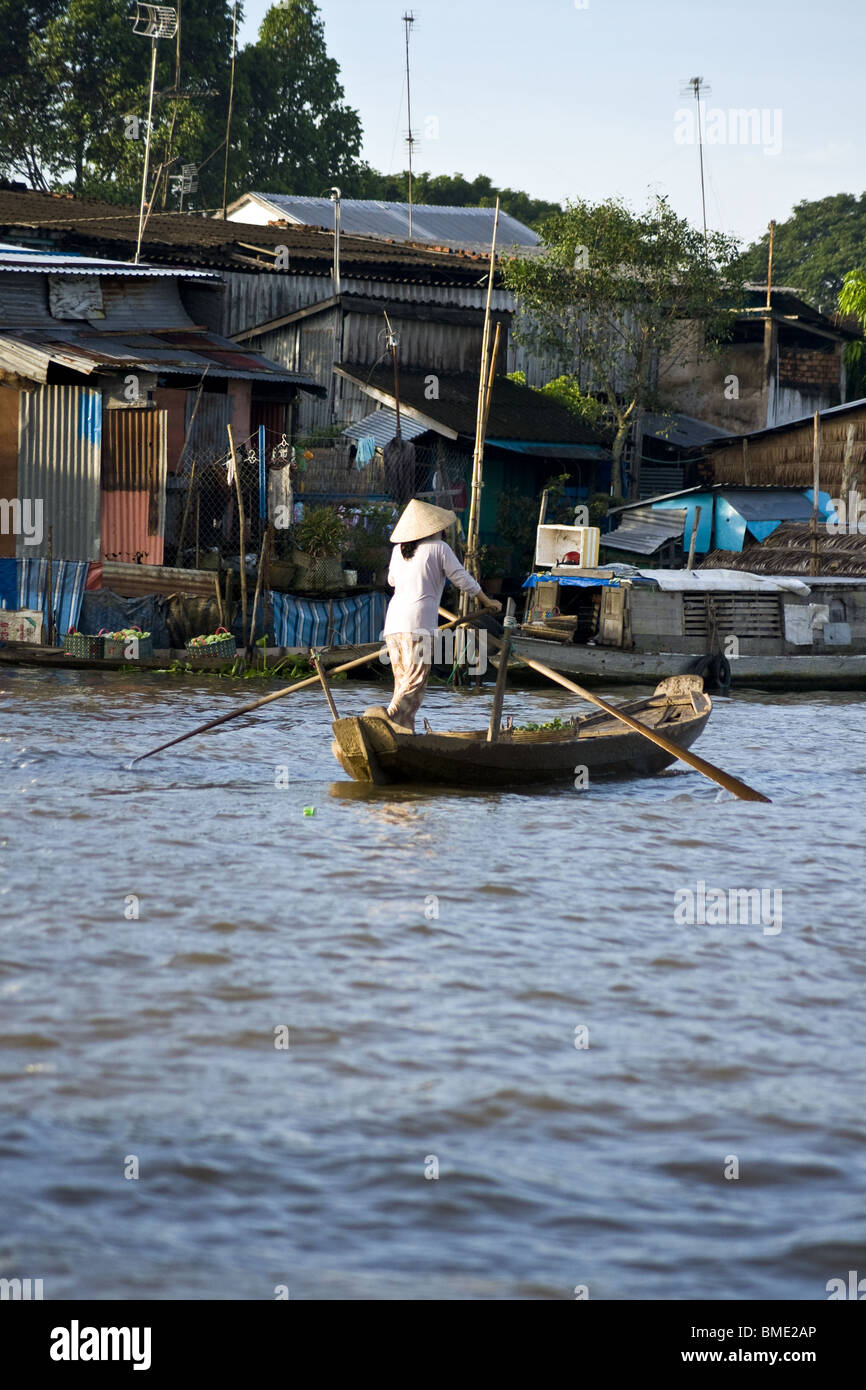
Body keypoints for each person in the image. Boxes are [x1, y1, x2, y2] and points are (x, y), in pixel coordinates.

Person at [376, 500, 501, 733]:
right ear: (432, 529)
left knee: (402, 683)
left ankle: (402, 732)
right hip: (418, 623)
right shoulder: (438, 547)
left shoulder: (398, 550)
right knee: (414, 682)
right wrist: (487, 601)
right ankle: (386, 717)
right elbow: (462, 579)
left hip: (393, 623)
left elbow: (392, 581)